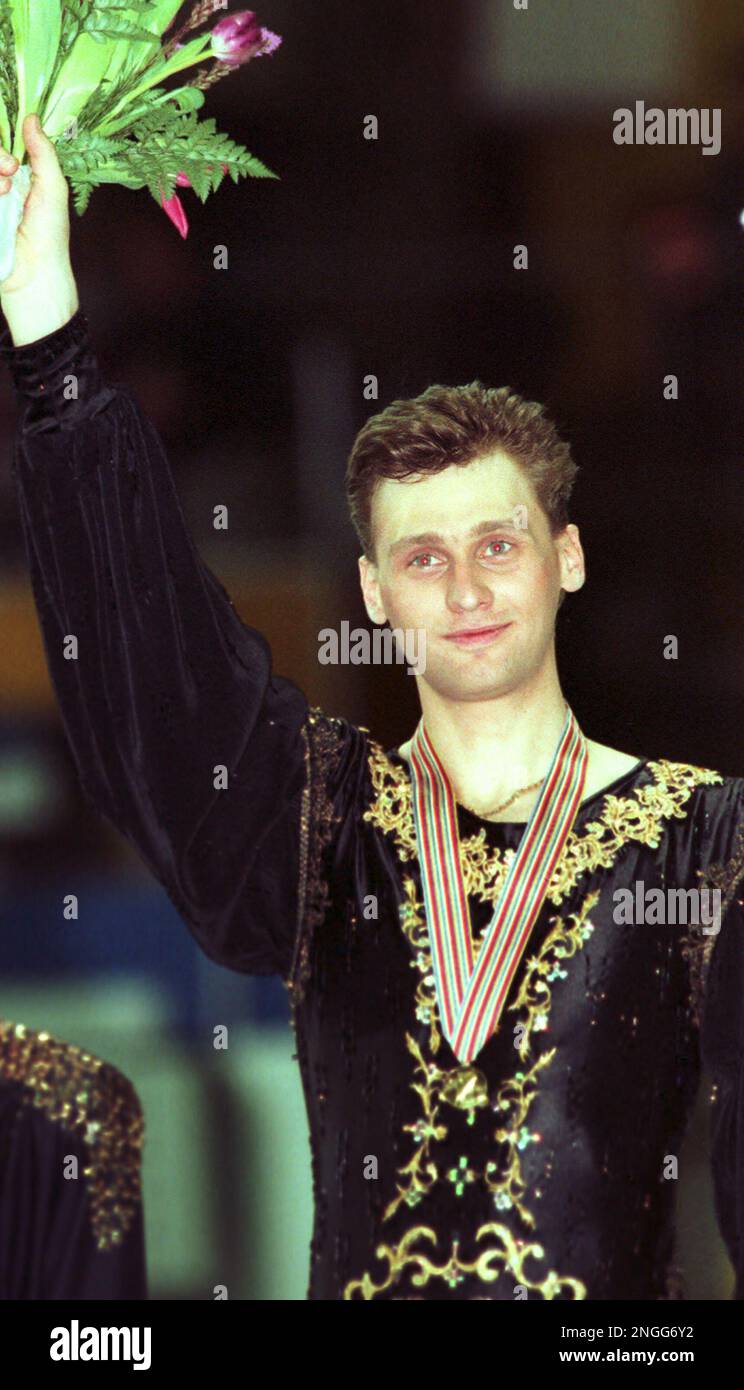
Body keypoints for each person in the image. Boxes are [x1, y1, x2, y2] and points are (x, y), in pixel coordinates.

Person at [1, 114, 743, 1303]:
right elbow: (163, 678)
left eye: (499, 543)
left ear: (569, 558)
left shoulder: (709, 841)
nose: (464, 587)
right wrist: (49, 336)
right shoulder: (322, 822)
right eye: (423, 556)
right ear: (372, 590)